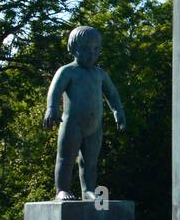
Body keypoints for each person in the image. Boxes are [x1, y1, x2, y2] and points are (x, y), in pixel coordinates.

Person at [43, 25, 126, 200]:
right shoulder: (68, 71)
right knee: (66, 158)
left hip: (94, 126)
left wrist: (118, 111)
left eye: (96, 49)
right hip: (72, 124)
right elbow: (55, 91)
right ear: (73, 49)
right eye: (86, 49)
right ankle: (62, 190)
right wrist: (51, 108)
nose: (92, 53)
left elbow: (112, 94)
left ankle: (88, 189)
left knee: (90, 162)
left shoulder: (100, 74)